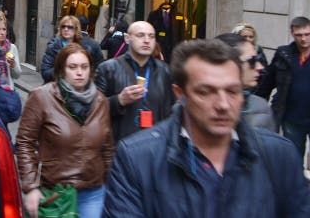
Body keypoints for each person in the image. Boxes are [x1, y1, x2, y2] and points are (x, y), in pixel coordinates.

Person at [104, 39, 310, 217]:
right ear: (180, 93)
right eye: (205, 92)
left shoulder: (279, 155)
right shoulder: (136, 159)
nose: (222, 104)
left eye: (232, 91)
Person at [16, 43, 114, 218]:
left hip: (93, 192)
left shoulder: (101, 101)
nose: (79, 72)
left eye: (84, 67)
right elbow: (25, 143)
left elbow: (107, 147)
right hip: (57, 192)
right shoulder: (41, 97)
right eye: (73, 67)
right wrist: (31, 187)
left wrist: (111, 184)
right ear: (62, 70)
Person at [95, 21, 174, 142]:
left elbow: (172, 112)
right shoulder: (108, 69)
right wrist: (119, 100)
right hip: (120, 147)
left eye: (151, 36)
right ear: (127, 38)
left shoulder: (165, 71)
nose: (147, 40)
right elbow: (92, 110)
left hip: (156, 148)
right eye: (140, 35)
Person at [255, 16, 310, 158]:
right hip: (291, 116)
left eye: (307, 34)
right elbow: (267, 83)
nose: (303, 39)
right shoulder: (283, 54)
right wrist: (255, 103)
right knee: (294, 157)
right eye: (299, 35)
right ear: (292, 34)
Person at [215, 33, 274, 131]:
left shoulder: (261, 106)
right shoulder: (192, 107)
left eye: (258, 59)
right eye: (252, 61)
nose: (260, 67)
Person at [41, 15, 104, 83]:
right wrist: (65, 70)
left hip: (80, 89)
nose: (66, 29)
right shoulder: (53, 46)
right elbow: (45, 73)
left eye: (70, 27)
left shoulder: (85, 46)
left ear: (76, 29)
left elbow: (99, 68)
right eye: (63, 26)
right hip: (58, 88)